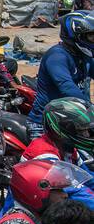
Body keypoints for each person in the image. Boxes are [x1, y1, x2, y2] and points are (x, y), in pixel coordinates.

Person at [27, 11, 94, 140]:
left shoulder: (84, 55)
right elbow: (67, 87)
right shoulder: (57, 56)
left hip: (72, 123)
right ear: (76, 35)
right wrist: (90, 108)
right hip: (45, 125)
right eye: (91, 36)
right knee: (50, 160)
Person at [24, 97, 94, 164]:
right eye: (81, 130)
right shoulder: (45, 156)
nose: (87, 135)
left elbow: (85, 171)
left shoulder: (67, 148)